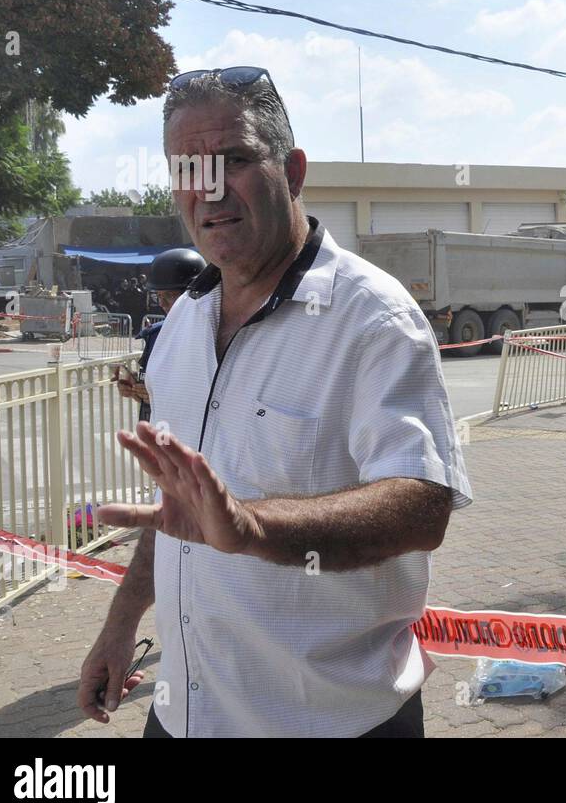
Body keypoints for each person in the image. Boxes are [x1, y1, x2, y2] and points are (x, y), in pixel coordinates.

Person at [79, 66, 472, 738]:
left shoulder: (372, 318)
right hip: (184, 714)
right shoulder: (183, 325)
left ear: (292, 172)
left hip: (329, 721)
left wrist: (254, 527)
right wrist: (120, 623)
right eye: (188, 168)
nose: (210, 190)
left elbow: (421, 505)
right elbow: (180, 507)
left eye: (233, 160)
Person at [114, 248, 205, 423]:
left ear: (195, 294)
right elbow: (150, 393)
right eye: (158, 296)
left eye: (170, 296)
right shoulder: (155, 335)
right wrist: (135, 387)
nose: (162, 303)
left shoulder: (213, 336)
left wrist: (159, 396)